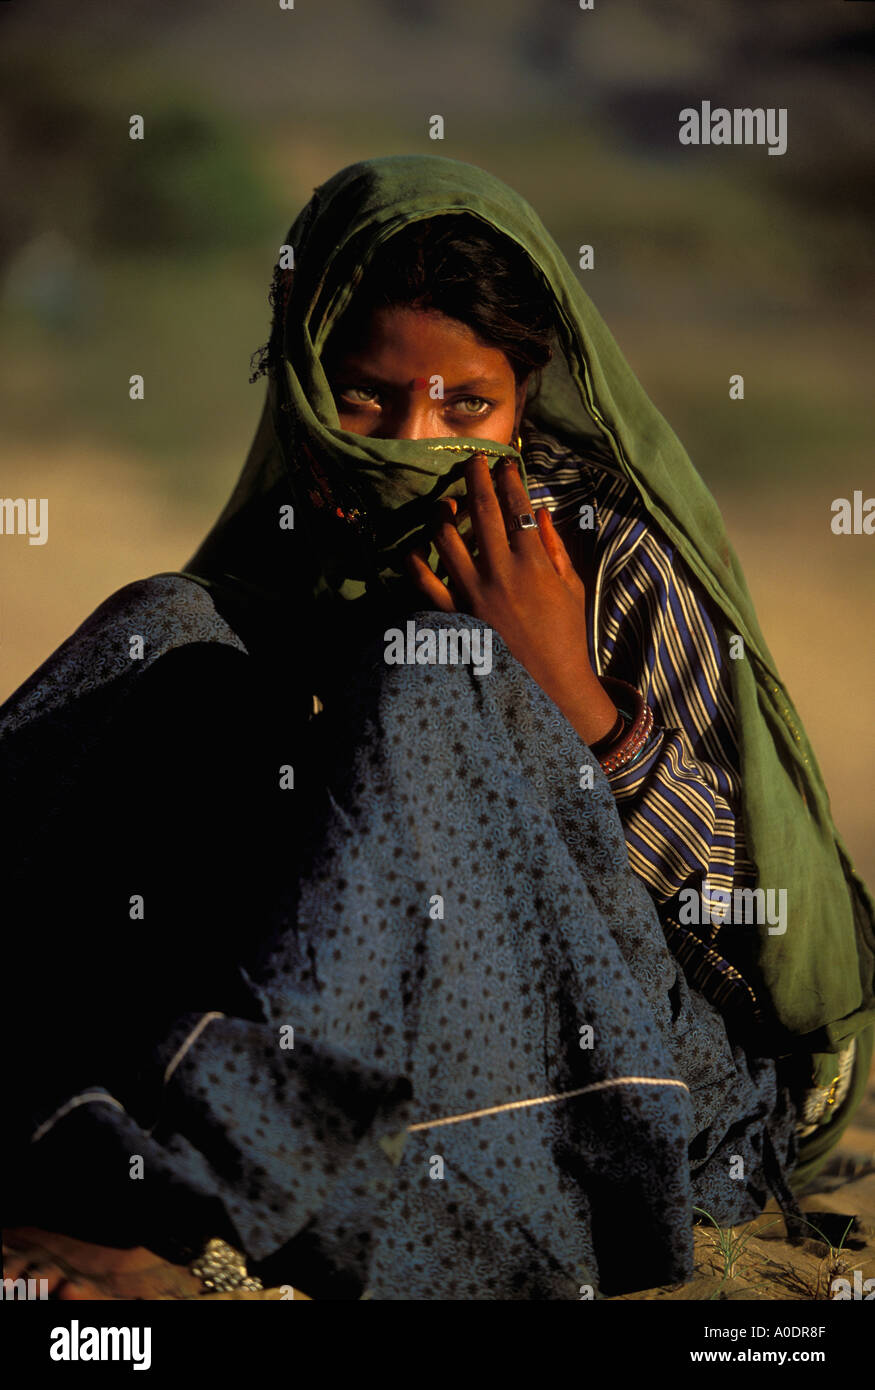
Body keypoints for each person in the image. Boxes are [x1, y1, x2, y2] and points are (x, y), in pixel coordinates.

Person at [2, 154, 873, 1301]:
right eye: (366, 396)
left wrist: (576, 703)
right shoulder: (278, 567)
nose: (415, 438)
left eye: (466, 406)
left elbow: (796, 972)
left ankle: (195, 1202)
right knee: (158, 631)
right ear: (306, 390)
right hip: (366, 1050)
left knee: (434, 662)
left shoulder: (604, 563)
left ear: (524, 398)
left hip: (628, 1081)